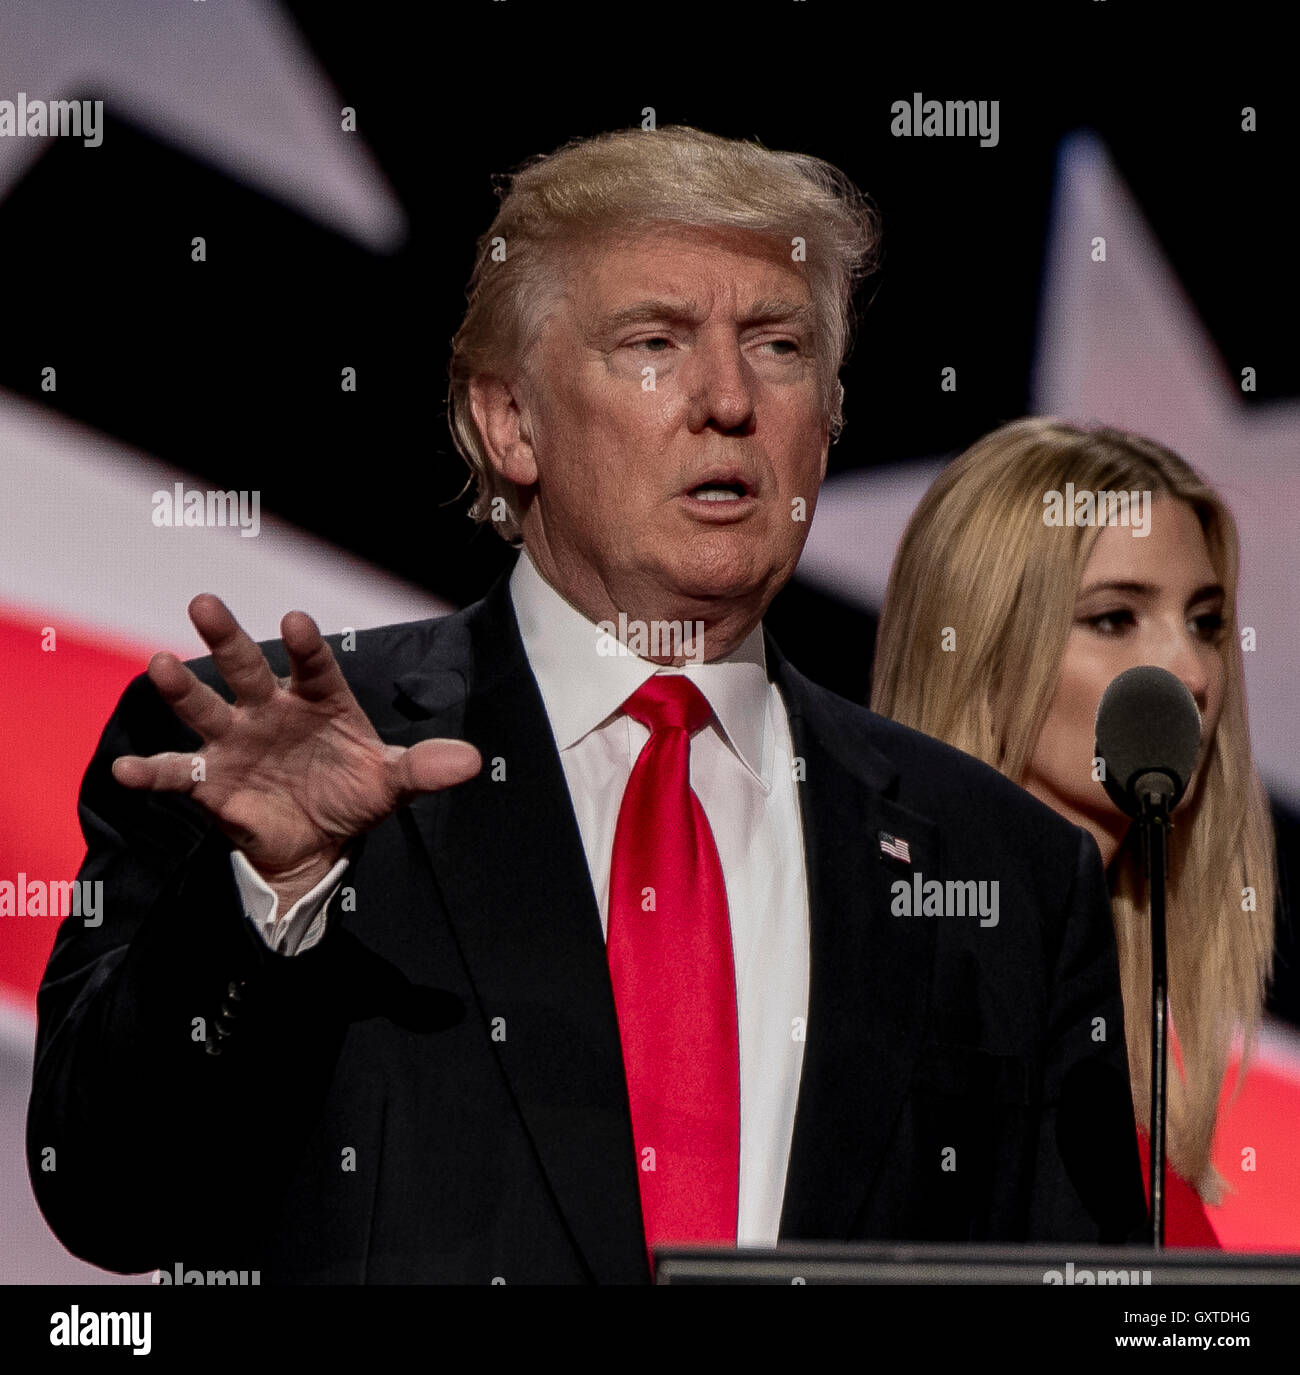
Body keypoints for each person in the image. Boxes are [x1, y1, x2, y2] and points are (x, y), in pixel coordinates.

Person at [28, 128, 1147, 1284]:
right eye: (654, 343)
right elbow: (104, 1195)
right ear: (511, 422)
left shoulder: (1002, 867)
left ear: (830, 415)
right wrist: (268, 901)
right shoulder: (269, 753)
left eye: (779, 345)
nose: (728, 400)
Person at [870, 416, 1276, 1246]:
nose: (1195, 674)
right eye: (1115, 617)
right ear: (980, 654)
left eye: (1204, 621)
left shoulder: (1128, 1069)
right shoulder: (884, 982)